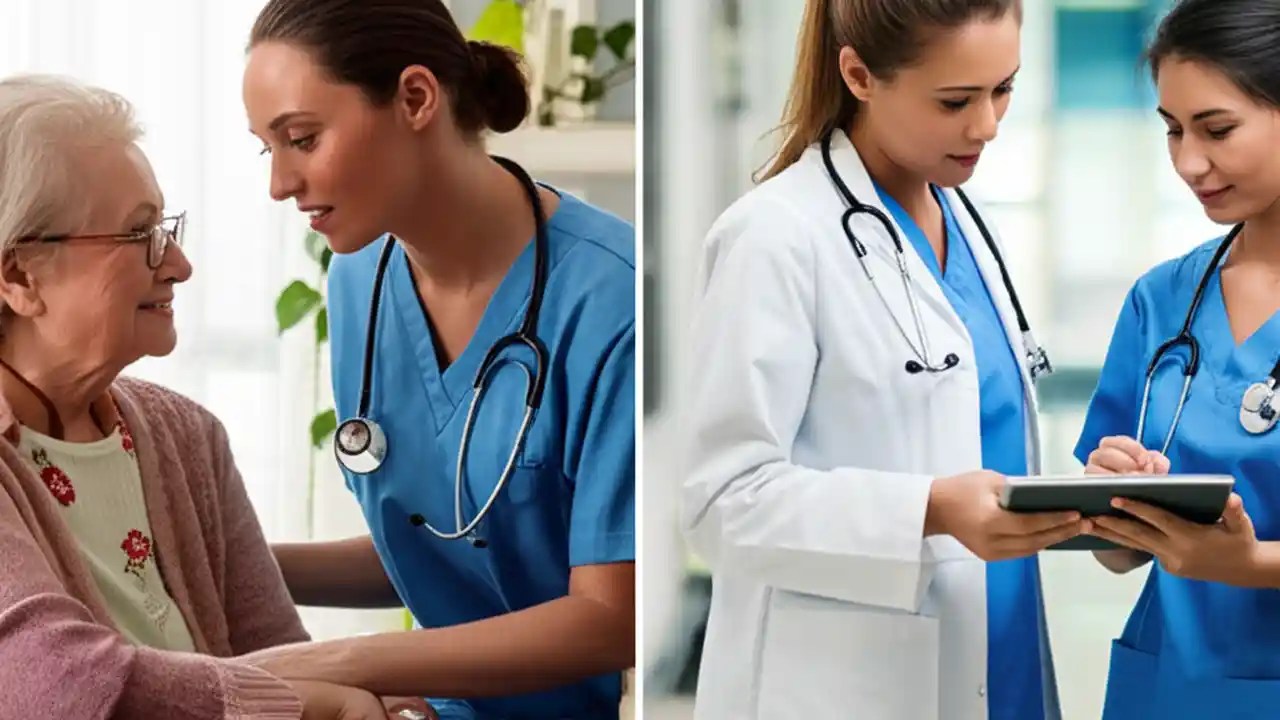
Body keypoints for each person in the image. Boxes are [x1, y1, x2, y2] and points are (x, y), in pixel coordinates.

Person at [680, 0, 1091, 718]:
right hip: (850, 685)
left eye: (1004, 89)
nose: (988, 125)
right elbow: (721, 503)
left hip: (1004, 655)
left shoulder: (964, 220)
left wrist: (1087, 492)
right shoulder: (775, 236)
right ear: (860, 76)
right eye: (956, 100)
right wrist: (927, 511)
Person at [236, 1, 636, 718]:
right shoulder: (358, 280)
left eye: (301, 138)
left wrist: (337, 661)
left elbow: (611, 617)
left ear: (416, 98)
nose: (280, 184)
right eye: (268, 149)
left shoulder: (613, 300)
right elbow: (440, 541)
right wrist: (225, 561)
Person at [0, 74, 434, 720]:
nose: (177, 263)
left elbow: (280, 653)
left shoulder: (186, 436)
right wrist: (307, 703)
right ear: (19, 277)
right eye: (140, 234)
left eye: (167, 228)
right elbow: (53, 680)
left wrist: (385, 707)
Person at [1077, 0, 1280, 716]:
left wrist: (1251, 566)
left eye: (1217, 129)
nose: (1190, 162)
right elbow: (1116, 555)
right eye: (1172, 131)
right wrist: (1111, 505)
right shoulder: (1164, 301)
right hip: (1171, 686)